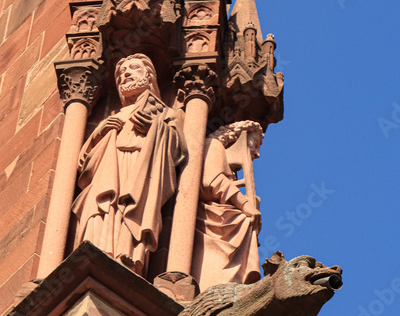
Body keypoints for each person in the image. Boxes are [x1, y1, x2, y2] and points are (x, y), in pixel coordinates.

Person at [72, 54, 185, 276]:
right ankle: (96, 251)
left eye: (134, 68)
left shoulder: (165, 113)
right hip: (108, 170)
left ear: (149, 76)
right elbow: (82, 162)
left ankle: (127, 260)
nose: (126, 74)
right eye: (122, 73)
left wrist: (154, 129)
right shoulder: (115, 115)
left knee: (130, 210)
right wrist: (100, 132)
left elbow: (178, 151)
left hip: (139, 171)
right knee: (98, 208)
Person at [191, 120, 263, 291]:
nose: (257, 153)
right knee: (244, 219)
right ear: (238, 138)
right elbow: (213, 181)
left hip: (217, 208)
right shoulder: (213, 145)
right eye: (254, 143)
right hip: (212, 213)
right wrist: (245, 205)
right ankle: (224, 279)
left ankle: (231, 280)